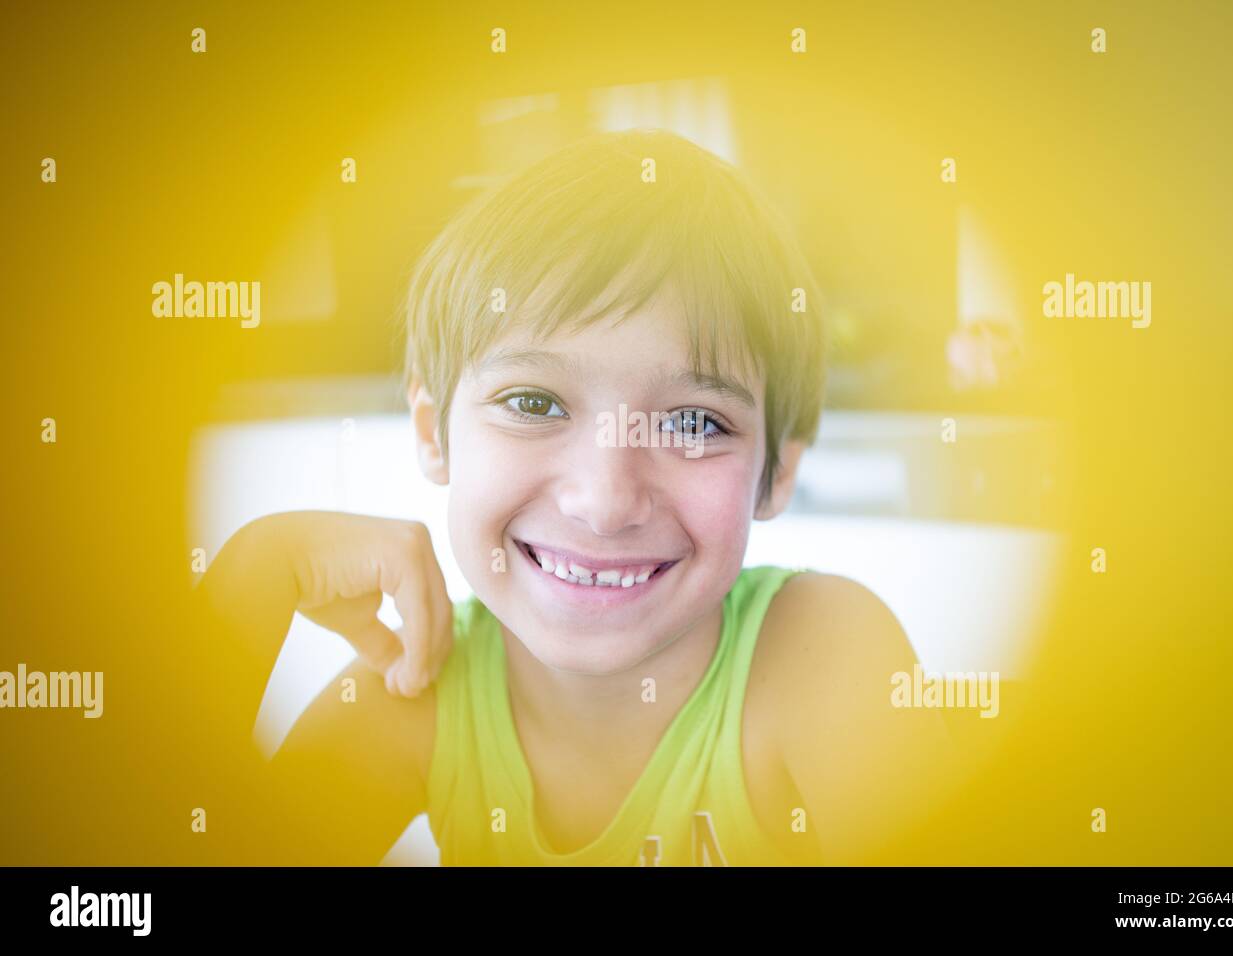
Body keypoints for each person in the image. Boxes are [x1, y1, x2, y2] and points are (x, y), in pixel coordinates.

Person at [197, 128, 951, 866]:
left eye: (693, 422)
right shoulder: (415, 691)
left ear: (776, 473)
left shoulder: (819, 656)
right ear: (434, 433)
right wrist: (256, 572)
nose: (604, 500)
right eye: (533, 403)